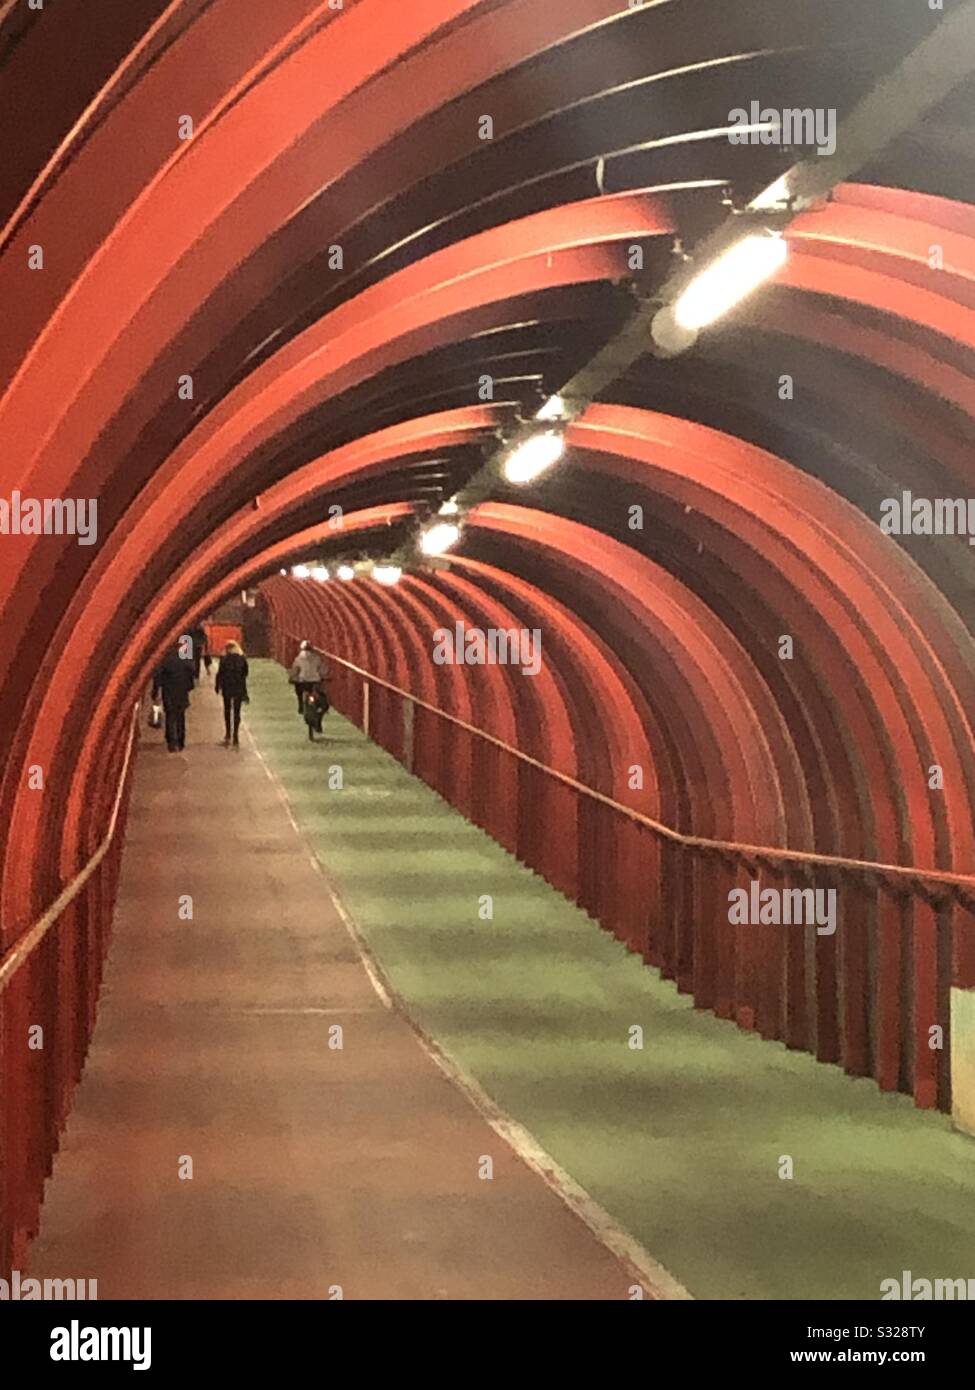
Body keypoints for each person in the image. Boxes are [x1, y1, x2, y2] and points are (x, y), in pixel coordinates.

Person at [151, 644, 195, 752]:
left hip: (168, 693)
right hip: (182, 693)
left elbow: (158, 677)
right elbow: (191, 679)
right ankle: (181, 741)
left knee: (170, 717)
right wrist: (187, 688)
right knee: (181, 717)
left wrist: (155, 692)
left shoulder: (165, 661)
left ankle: (171, 742)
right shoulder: (185, 661)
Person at [215, 640, 249, 747]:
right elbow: (245, 674)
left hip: (227, 688)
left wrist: (218, 686)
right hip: (239, 688)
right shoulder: (242, 659)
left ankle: (228, 735)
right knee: (237, 712)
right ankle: (236, 737)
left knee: (227, 711)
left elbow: (220, 673)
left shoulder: (224, 659)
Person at [289, 640, 326, 714]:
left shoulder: (299, 658)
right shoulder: (317, 658)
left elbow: (295, 670)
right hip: (315, 680)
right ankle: (320, 706)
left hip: (303, 680)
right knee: (319, 693)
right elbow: (322, 669)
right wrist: (323, 675)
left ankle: (300, 706)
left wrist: (292, 677)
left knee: (299, 691)